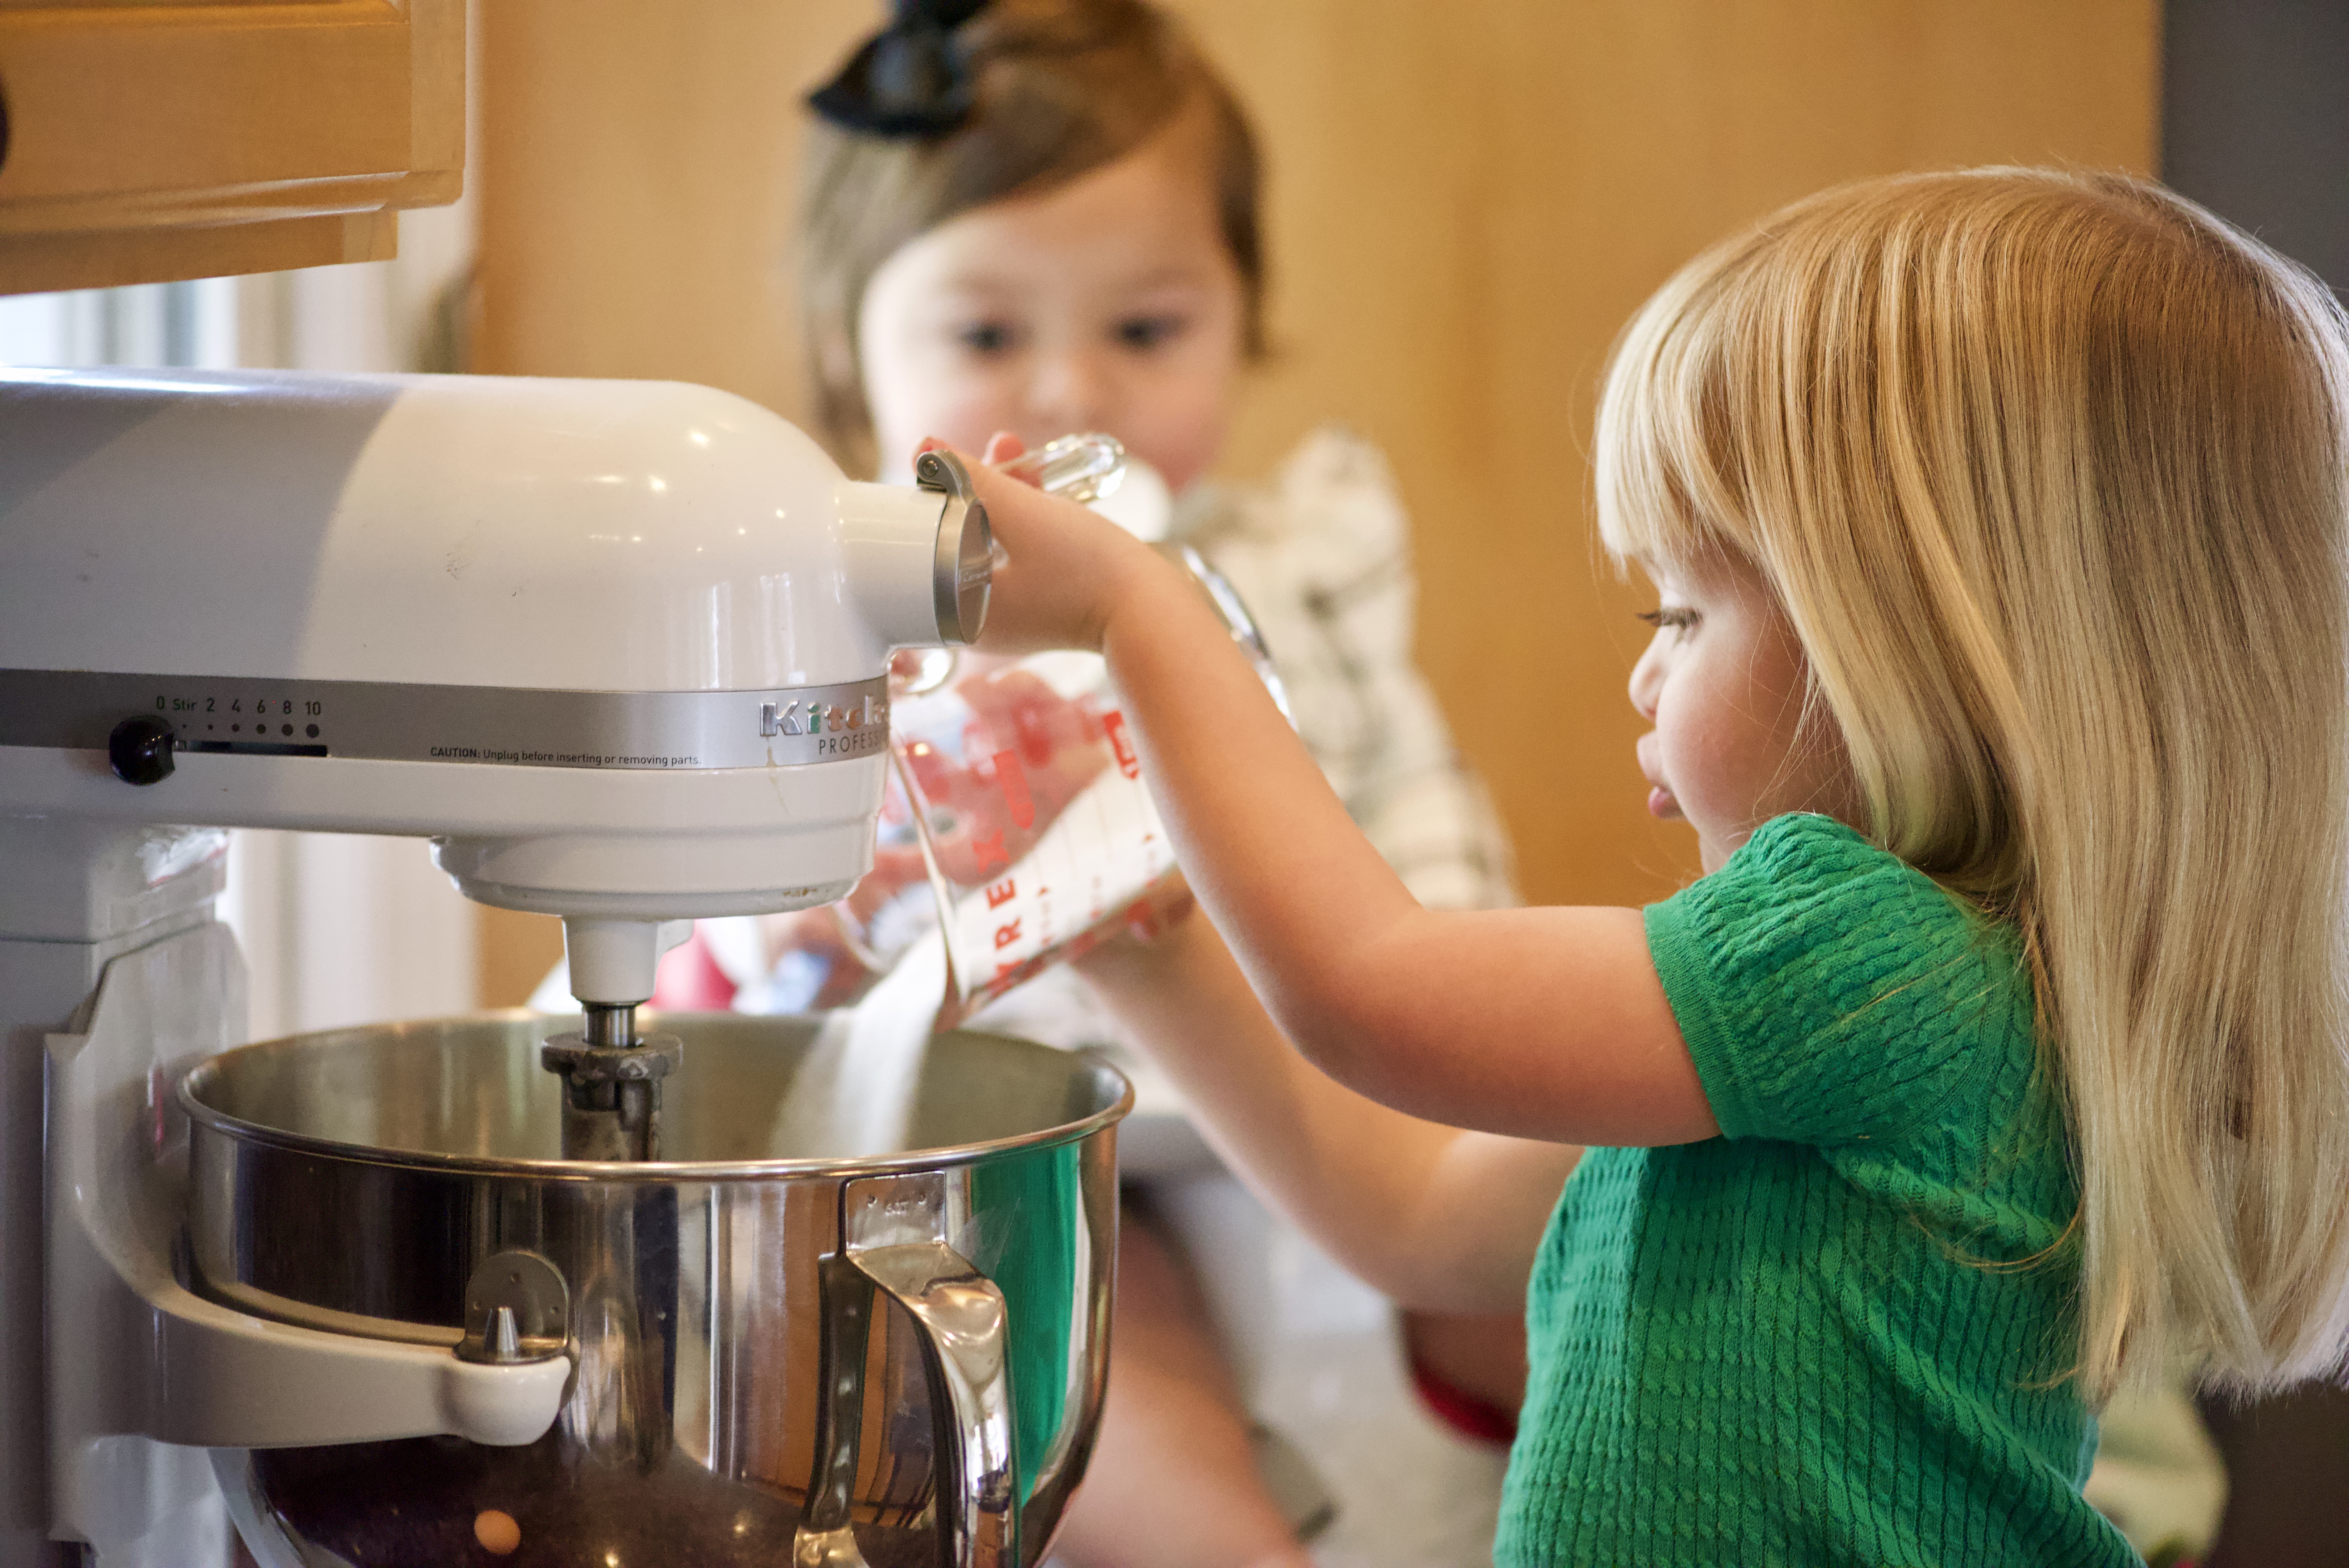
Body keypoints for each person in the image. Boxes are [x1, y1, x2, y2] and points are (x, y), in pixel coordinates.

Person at [955, 166, 2349, 1564]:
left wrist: (1136, 612)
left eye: (1683, 608)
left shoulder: (1870, 968)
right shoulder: (1870, 1032)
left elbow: (1374, 989)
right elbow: (1409, 1208)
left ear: (1926, 651)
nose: (1642, 671)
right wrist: (1133, 929)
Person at [795, 2, 1525, 1563]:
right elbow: (699, 941)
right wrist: (795, 940)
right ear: (847, 353)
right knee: (1133, 1415)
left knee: (1582, 1259)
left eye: (1144, 330)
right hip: (1020, 1158)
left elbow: (1425, 830)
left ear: (1242, 319)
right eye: (986, 336)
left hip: (1306, 1111)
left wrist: (1454, 1046)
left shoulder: (1298, 569)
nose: (1070, 393)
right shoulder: (808, 614)